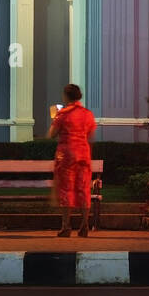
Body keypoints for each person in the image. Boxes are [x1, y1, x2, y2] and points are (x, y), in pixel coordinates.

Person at [48, 84, 97, 238]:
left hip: (67, 156)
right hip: (83, 154)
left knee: (66, 189)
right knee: (84, 188)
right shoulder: (87, 114)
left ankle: (66, 226)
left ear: (66, 96)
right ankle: (84, 224)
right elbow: (90, 134)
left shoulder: (62, 114)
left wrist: (54, 118)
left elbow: (52, 134)